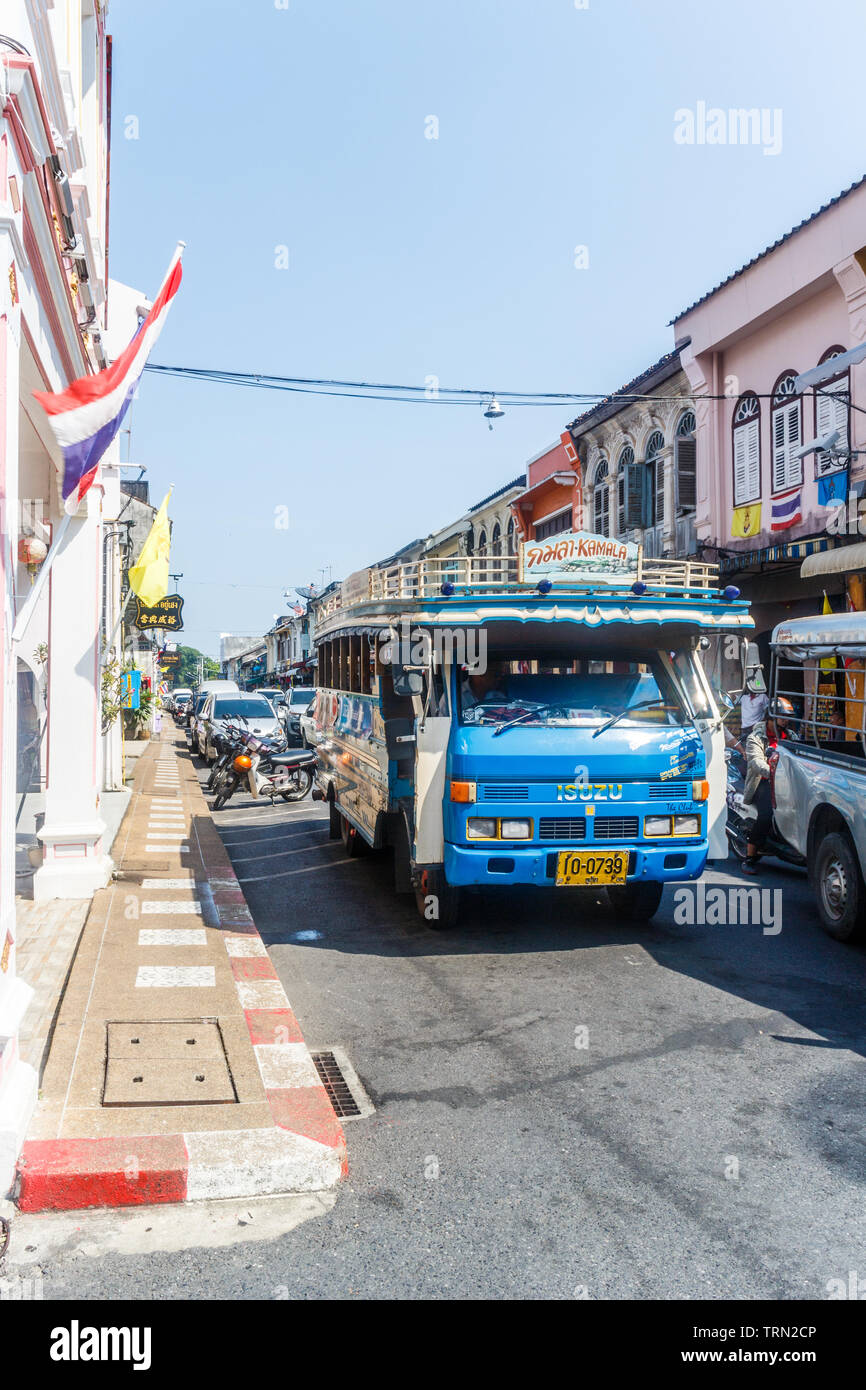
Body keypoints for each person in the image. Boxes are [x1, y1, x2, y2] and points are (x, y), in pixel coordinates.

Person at [741, 698, 793, 874]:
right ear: (770, 717)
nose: (786, 721)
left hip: (785, 784)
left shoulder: (791, 736)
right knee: (766, 815)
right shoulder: (755, 737)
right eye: (782, 717)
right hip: (762, 783)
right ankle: (749, 858)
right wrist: (774, 774)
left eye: (787, 717)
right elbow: (756, 762)